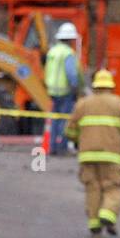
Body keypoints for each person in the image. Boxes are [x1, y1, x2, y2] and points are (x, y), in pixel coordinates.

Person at [65, 70, 120, 236]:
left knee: (93, 188)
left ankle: (94, 222)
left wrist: (78, 142)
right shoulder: (119, 103)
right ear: (110, 86)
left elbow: (70, 130)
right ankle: (107, 213)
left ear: (95, 85)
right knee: (113, 187)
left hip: (87, 154)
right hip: (112, 154)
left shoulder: (82, 104)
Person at [44, 22, 80, 155]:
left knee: (55, 120)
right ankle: (62, 148)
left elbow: (47, 70)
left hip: (53, 90)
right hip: (65, 91)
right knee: (65, 120)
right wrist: (75, 88)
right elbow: (72, 74)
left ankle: (53, 147)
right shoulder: (68, 53)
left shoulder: (52, 51)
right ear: (70, 39)